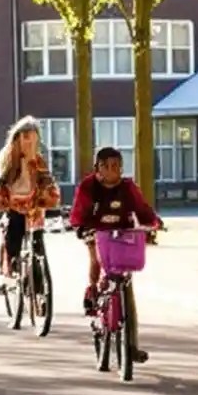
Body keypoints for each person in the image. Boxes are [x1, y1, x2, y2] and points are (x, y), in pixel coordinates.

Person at [68, 146, 164, 364]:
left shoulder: (128, 187)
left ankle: (132, 345)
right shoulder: (88, 187)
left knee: (127, 285)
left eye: (116, 166)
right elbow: (79, 212)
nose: (112, 172)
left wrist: (154, 223)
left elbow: (143, 209)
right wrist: (80, 227)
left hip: (122, 234)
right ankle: (93, 293)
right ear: (97, 169)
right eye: (106, 167)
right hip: (97, 233)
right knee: (96, 262)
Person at [0, 116, 61, 282]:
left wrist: (49, 191)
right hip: (16, 204)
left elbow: (46, 178)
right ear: (18, 138)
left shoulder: (38, 161)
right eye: (26, 137)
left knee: (37, 239)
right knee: (14, 230)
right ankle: (13, 264)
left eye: (33, 138)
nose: (30, 143)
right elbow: (1, 179)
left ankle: (38, 281)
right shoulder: (11, 160)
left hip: (34, 205)